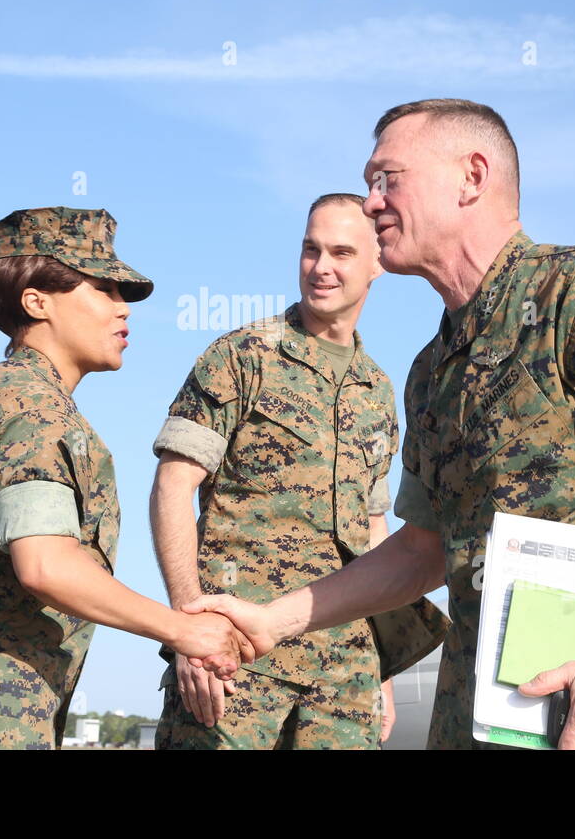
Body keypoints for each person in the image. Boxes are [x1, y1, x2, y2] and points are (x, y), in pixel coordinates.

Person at [185, 99, 575, 750]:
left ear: (472, 177)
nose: (370, 203)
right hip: (478, 719)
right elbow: (421, 551)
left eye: (387, 178)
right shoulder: (430, 372)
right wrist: (271, 620)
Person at [0, 206, 251, 749]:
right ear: (36, 301)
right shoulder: (35, 412)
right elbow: (46, 564)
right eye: (102, 289)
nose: (122, 309)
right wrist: (184, 630)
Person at [149, 194, 447, 750]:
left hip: (343, 670)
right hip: (234, 660)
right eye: (311, 250)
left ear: (377, 261)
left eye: (340, 252)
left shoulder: (378, 391)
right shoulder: (241, 357)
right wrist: (187, 630)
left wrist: (380, 669)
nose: (322, 267)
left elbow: (374, 529)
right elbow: (172, 485)